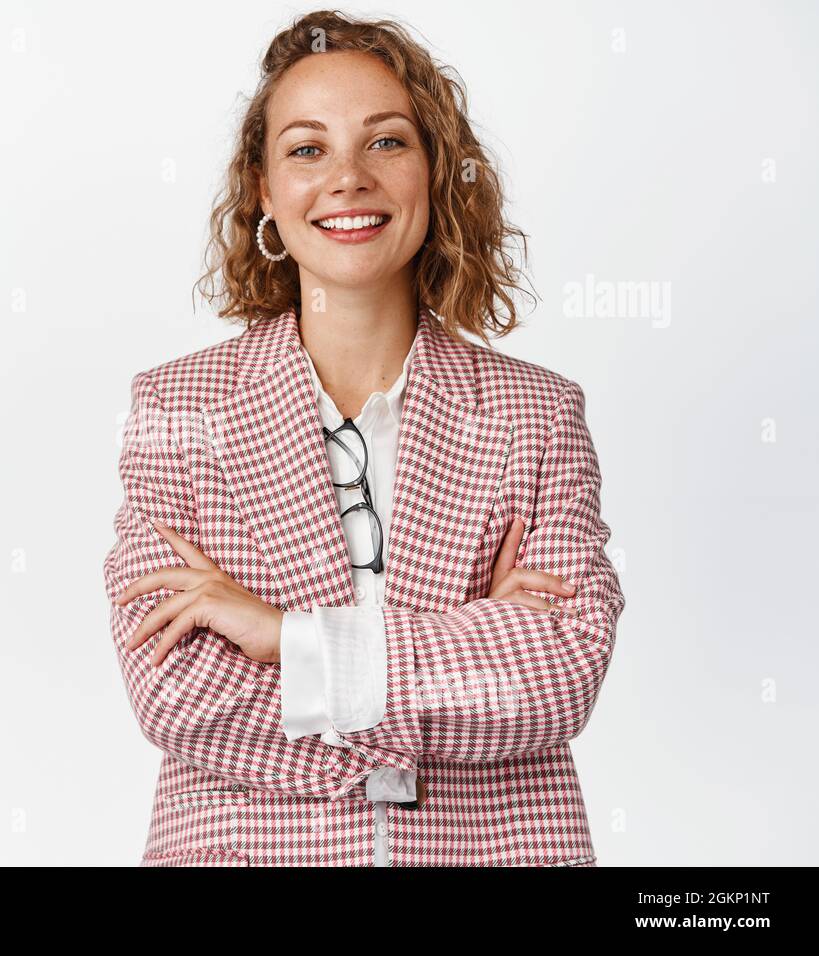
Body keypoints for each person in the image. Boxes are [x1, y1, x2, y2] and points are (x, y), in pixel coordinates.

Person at [103, 10, 625, 867]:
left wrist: (288, 641)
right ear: (264, 192)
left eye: (386, 142)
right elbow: (179, 697)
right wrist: (475, 645)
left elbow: (559, 674)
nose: (347, 177)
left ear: (436, 174)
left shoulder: (539, 415)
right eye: (307, 149)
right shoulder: (176, 408)